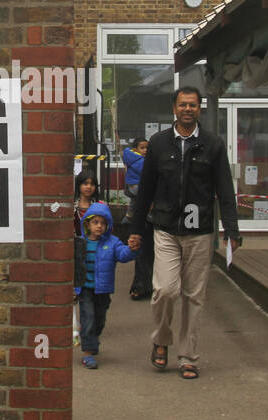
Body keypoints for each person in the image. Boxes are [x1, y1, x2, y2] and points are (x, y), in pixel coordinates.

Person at [128, 86, 242, 379]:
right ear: (174, 109)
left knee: (194, 295)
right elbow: (146, 190)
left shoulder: (212, 144)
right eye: (183, 105)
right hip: (165, 228)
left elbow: (225, 190)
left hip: (199, 231)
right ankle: (161, 340)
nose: (188, 109)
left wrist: (231, 229)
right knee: (165, 290)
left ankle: (188, 355)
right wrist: (136, 228)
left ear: (199, 109)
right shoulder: (159, 143)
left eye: (193, 105)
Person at [73, 201, 138, 369]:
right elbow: (73, 266)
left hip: (103, 290)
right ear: (87, 223)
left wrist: (132, 249)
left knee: (99, 319)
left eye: (103, 223)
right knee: (87, 319)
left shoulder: (113, 242)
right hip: (85, 289)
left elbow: (123, 255)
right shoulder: (80, 242)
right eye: (95, 222)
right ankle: (88, 352)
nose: (99, 226)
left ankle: (93, 338)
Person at [122, 138, 155, 300]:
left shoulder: (133, 162)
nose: (146, 150)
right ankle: (141, 287)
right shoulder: (142, 163)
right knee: (143, 253)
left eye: (147, 148)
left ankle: (144, 286)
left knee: (146, 253)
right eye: (142, 148)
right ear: (136, 149)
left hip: (144, 217)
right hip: (144, 219)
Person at [73, 169, 99, 238]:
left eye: (92, 184)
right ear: (79, 185)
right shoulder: (71, 207)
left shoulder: (100, 206)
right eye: (85, 183)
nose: (89, 187)